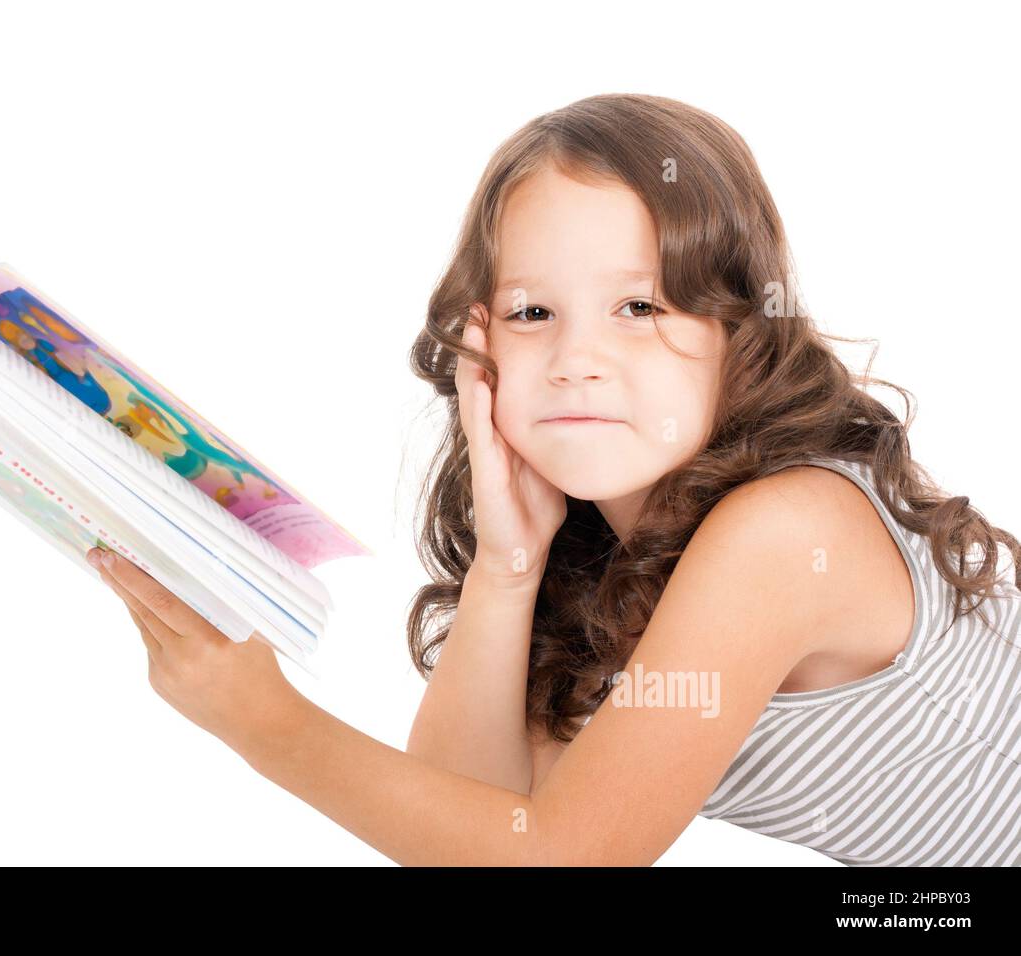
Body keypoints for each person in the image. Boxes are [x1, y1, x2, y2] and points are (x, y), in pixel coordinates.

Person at [88, 93, 1021, 866]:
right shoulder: (602, 571)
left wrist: (268, 725)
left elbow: (565, 861)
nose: (578, 358)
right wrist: (507, 562)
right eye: (534, 311)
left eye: (639, 305)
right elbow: (471, 823)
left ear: (740, 331)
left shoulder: (786, 531)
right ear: (479, 350)